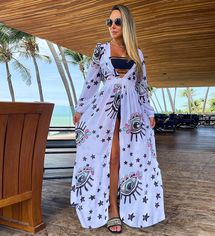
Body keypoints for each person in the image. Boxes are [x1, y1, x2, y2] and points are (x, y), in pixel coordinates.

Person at [71, 4, 165, 233]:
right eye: (109, 22)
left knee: (132, 158)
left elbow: (142, 87)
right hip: (105, 111)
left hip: (132, 112)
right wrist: (80, 109)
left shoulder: (138, 53)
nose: (112, 26)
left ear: (127, 25)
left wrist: (150, 112)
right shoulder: (100, 50)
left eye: (117, 22)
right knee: (112, 157)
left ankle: (129, 202)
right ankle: (113, 208)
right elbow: (92, 82)